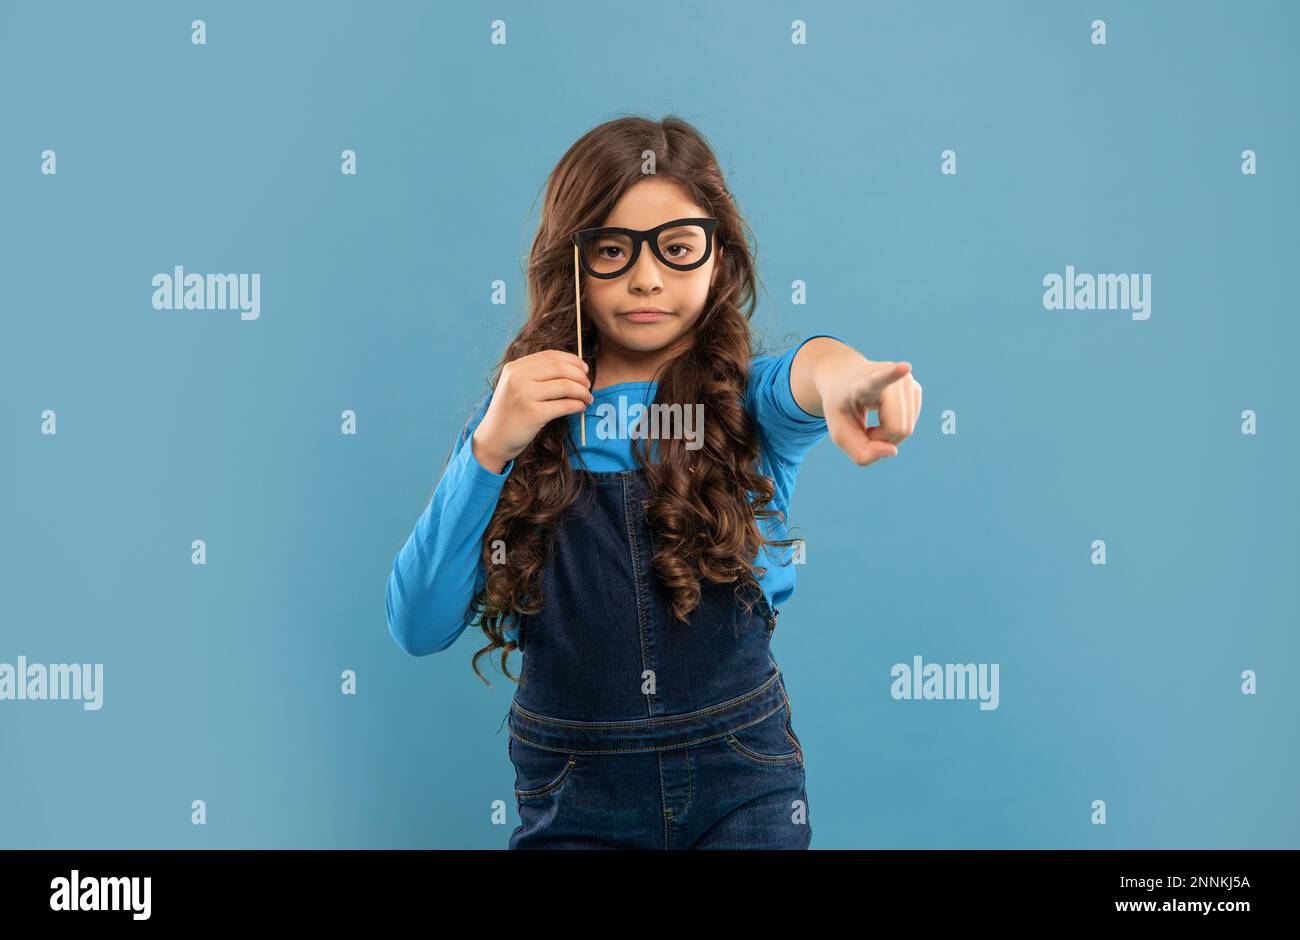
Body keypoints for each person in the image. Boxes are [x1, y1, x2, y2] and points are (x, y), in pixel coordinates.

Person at [386, 115, 921, 849]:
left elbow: (810, 371)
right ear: (570, 262)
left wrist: (853, 379)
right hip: (575, 796)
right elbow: (417, 625)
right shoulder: (519, 421)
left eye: (675, 249)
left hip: (742, 782)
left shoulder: (741, 406)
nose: (645, 277)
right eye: (611, 249)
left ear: (719, 259)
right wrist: (486, 449)